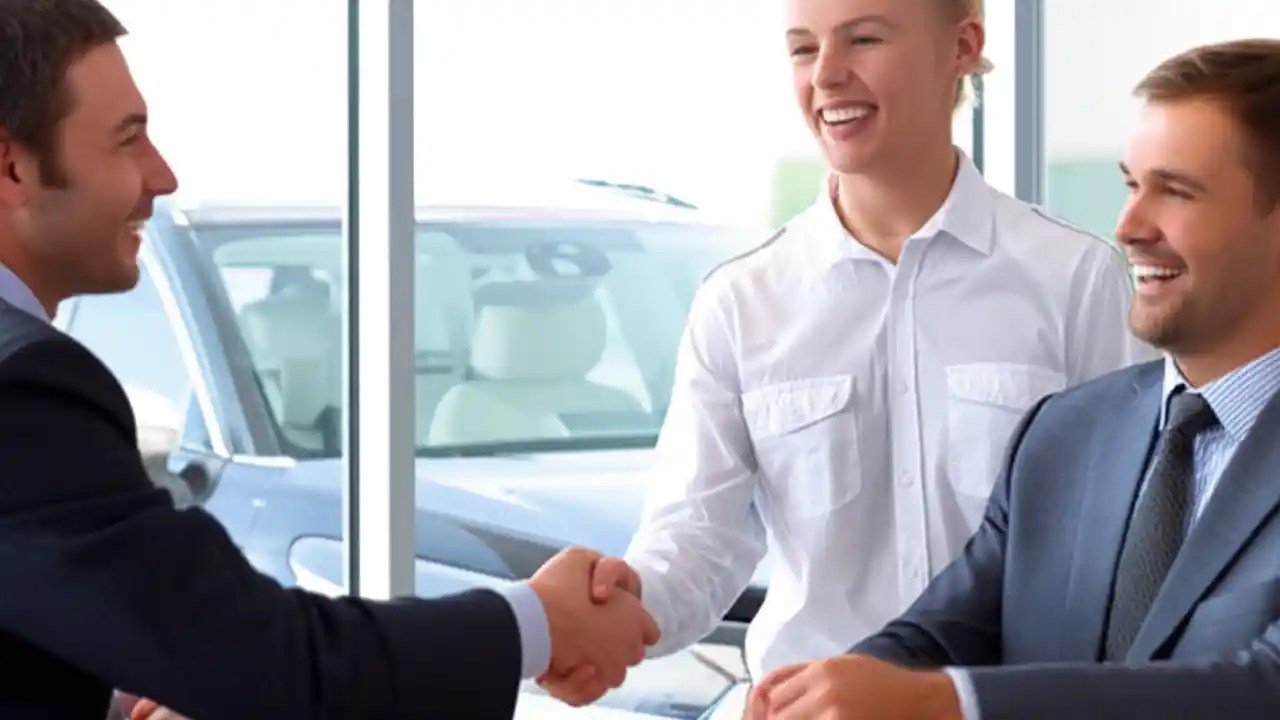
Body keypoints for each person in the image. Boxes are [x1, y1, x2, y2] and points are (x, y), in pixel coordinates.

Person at [0, 1, 657, 717]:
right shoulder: (26, 389)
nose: (164, 176)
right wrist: (539, 621)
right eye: (128, 141)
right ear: (11, 167)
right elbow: (274, 660)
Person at [539, 0, 1145, 706]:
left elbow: (1127, 547)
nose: (826, 75)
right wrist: (617, 610)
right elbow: (698, 540)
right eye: (802, 50)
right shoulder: (741, 302)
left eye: (863, 39)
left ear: (962, 47)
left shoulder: (1074, 280)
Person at [745, 37, 1280, 720]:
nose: (1128, 226)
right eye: (1131, 185)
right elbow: (953, 626)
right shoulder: (1067, 431)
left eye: (1176, 192)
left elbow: (1262, 689)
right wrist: (831, 690)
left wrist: (946, 703)